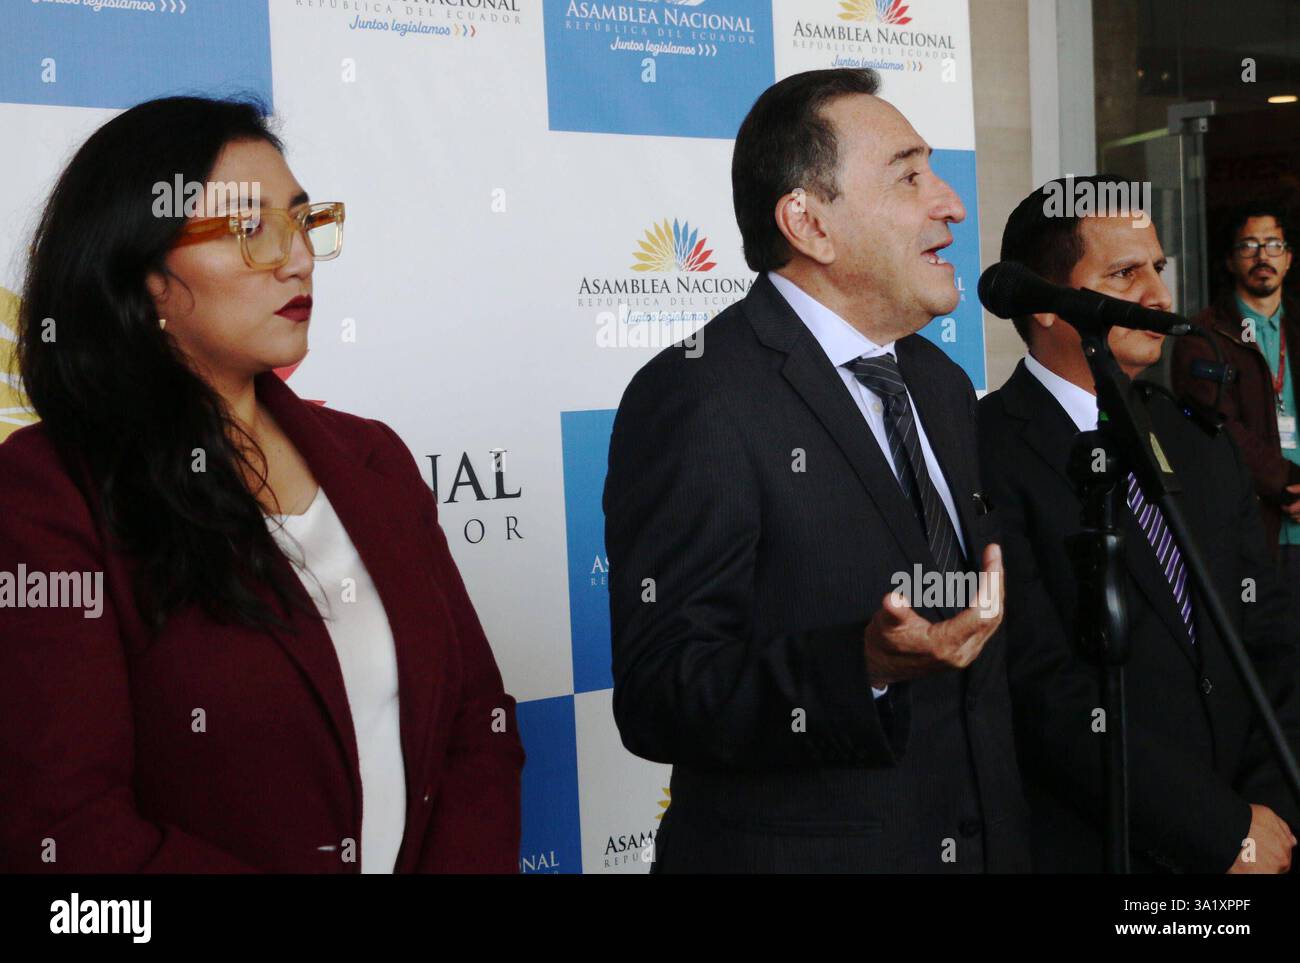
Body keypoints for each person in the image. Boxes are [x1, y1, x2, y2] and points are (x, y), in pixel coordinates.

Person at [0, 96, 523, 873]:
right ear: (146, 277)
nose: (298, 257)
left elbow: (477, 723)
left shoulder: (373, 458)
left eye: (304, 220)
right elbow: (67, 836)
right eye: (249, 229)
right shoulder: (49, 493)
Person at [604, 68, 1029, 873]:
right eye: (908, 175)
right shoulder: (699, 394)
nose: (951, 203)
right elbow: (660, 693)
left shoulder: (939, 385)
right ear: (809, 222)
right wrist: (861, 666)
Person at [979, 178, 1300, 873]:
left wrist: (1269, 812)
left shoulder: (1199, 441)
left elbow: (1271, 634)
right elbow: (1038, 687)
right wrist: (1216, 828)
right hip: (1102, 848)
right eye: (1126, 273)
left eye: (1159, 267)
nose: (1158, 296)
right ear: (1045, 305)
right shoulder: (985, 450)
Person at [1172, 203, 1300, 631]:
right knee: (1272, 661)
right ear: (1229, 259)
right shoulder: (1204, 337)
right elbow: (1219, 426)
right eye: (1248, 245)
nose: (1262, 255)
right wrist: (1288, 484)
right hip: (1255, 531)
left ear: (1288, 256)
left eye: (1273, 244)